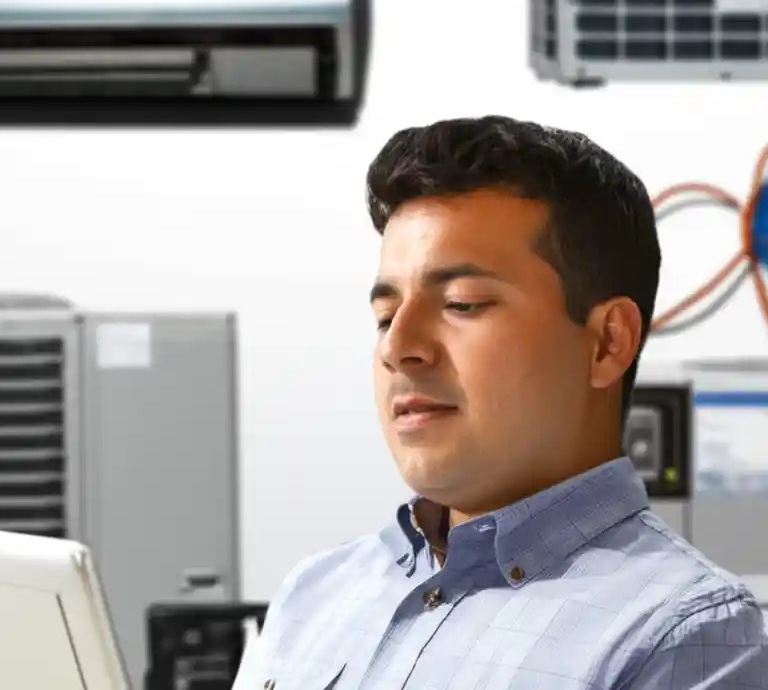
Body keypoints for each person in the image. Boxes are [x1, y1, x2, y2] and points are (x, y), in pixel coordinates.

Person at [232, 116, 768, 689]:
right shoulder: (313, 597)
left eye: (461, 304)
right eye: (385, 316)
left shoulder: (686, 634)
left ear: (608, 342)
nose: (397, 346)